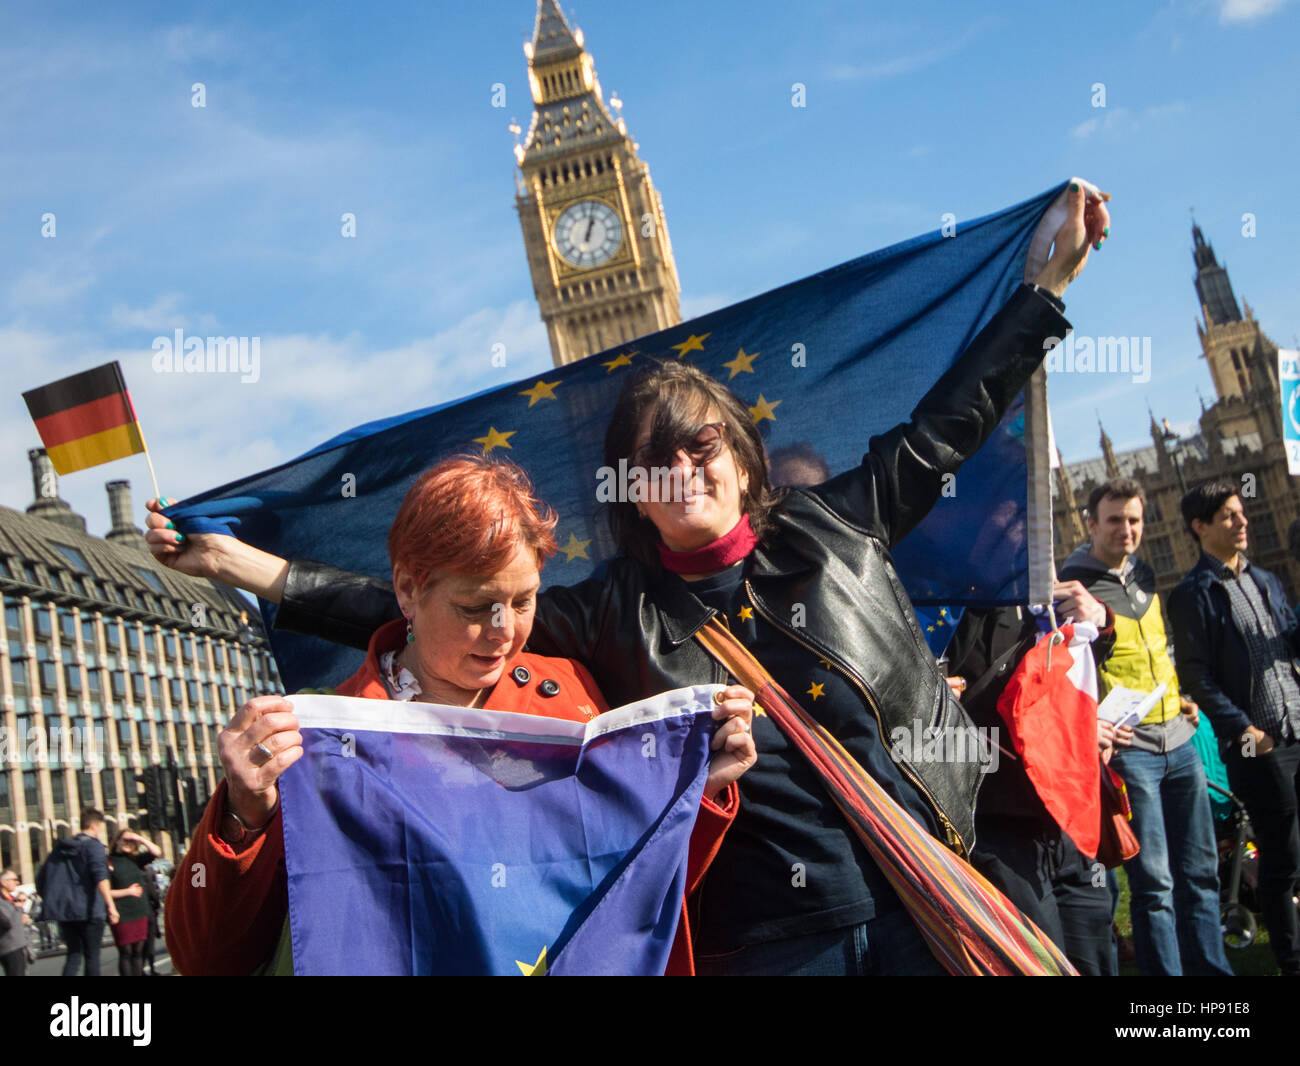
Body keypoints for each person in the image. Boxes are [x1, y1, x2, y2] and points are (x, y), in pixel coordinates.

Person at [149, 183, 1109, 975]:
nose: (682, 471)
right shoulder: (610, 611)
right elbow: (430, 606)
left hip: (927, 874)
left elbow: (951, 421)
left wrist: (1042, 295)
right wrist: (244, 566)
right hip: (770, 937)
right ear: (631, 496)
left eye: (699, 448)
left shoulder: (838, 524)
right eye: (653, 464)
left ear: (742, 458)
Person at [164, 456, 756, 975]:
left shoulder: (566, 692)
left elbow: (625, 891)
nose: (504, 633)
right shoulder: (324, 735)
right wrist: (243, 816)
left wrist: (692, 789)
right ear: (406, 589)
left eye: (523, 602)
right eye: (475, 606)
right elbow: (208, 958)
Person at [1058, 477, 1231, 976]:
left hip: (1177, 741)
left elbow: (1154, 650)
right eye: (1114, 520)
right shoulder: (1075, 584)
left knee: (1199, 872)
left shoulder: (1146, 574)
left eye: (1134, 519)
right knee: (1154, 884)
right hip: (1131, 749)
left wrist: (1178, 698)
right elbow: (1067, 670)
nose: (1127, 529)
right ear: (1089, 523)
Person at [945, 581, 1120, 976]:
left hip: (1069, 823)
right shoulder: (946, 606)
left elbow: (1086, 665)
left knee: (1096, 958)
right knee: (1038, 963)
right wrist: (931, 692)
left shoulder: (1054, 598)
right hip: (1000, 827)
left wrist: (1102, 621)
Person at [1168, 480, 1300, 976]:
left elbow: (1286, 646)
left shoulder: (1266, 580)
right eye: (1228, 515)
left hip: (1295, 731)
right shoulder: (1192, 595)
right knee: (1282, 858)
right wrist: (1248, 733)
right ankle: (1292, 961)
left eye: (1242, 513)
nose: (1242, 521)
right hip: (1256, 747)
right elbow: (1196, 677)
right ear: (1200, 527)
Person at [35, 808, 121, 976]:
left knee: (73, 955)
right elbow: (100, 878)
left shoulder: (59, 849)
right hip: (90, 910)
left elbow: (41, 879)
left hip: (66, 912)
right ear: (96, 826)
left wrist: (55, 900)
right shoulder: (94, 847)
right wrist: (111, 906)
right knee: (92, 956)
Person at [107, 830, 161, 977]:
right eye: (125, 840)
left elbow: (156, 851)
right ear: (117, 841)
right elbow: (105, 891)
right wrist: (128, 892)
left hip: (140, 910)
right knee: (126, 951)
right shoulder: (108, 861)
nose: (128, 843)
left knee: (138, 951)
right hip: (121, 911)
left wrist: (139, 838)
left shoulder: (135, 859)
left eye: (131, 842)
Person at [0, 869, 32, 977]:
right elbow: (7, 922)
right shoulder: (2, 902)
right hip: (10, 947)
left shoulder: (12, 898)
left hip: (19, 944)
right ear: (4, 882)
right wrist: (18, 909)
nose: (17, 882)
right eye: (14, 879)